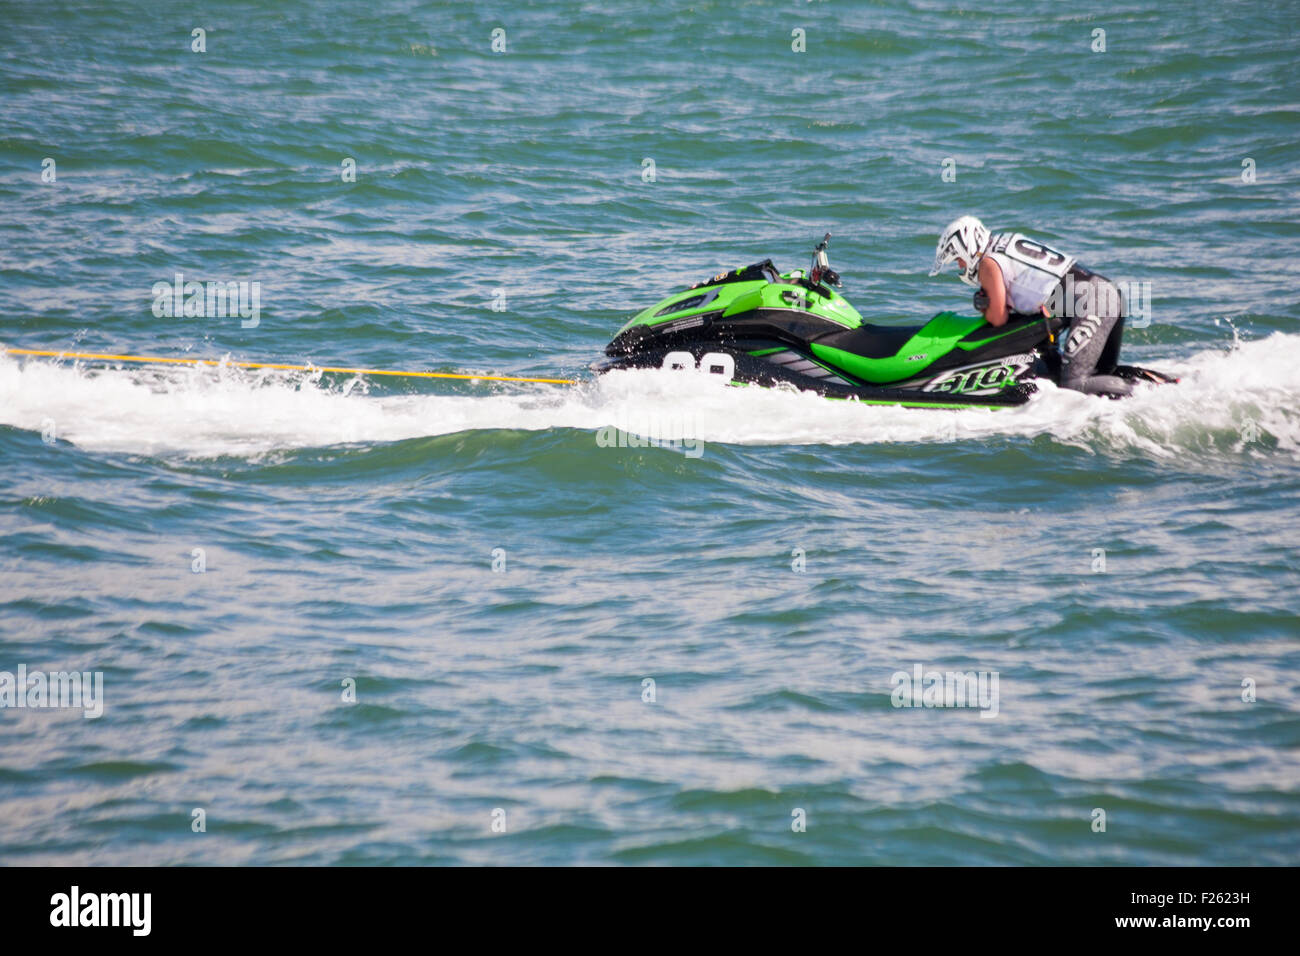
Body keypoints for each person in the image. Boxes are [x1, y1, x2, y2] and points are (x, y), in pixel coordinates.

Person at [929, 215, 1132, 397]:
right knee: (1101, 374)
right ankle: (1144, 391)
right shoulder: (1005, 241)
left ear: (968, 249)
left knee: (1074, 387)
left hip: (1093, 303)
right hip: (1105, 292)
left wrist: (982, 303)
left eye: (958, 260)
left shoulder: (988, 263)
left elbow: (998, 318)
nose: (960, 266)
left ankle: (1144, 397)